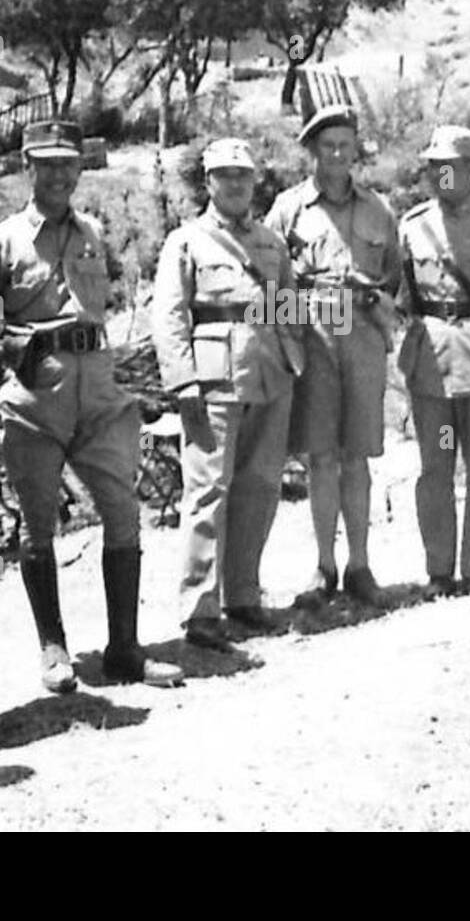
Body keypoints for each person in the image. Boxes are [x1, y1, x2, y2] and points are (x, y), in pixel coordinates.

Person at [0, 120, 183, 692]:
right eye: (47, 163)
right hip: (36, 399)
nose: (59, 175)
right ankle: (54, 650)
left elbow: (98, 306)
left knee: (123, 511)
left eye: (68, 164)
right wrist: (0, 380)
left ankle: (125, 650)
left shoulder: (91, 232)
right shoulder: (2, 240)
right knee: (38, 525)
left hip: (99, 390)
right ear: (27, 167)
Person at [151, 137, 303, 652]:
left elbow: (287, 307)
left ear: (254, 181)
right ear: (208, 182)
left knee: (259, 487)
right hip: (212, 380)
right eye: (224, 175)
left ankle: (243, 595)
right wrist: (181, 381)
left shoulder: (270, 243)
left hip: (268, 373)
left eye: (243, 174)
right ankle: (199, 608)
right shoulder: (186, 241)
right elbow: (169, 316)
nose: (235, 183)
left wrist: (296, 359)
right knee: (208, 492)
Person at [264, 105, 401, 609]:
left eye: (346, 144)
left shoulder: (378, 210)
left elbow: (393, 277)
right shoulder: (288, 209)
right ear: (313, 151)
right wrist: (285, 342)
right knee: (321, 455)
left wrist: (377, 304)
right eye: (328, 146)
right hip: (314, 334)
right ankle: (324, 566)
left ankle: (360, 565)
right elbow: (271, 278)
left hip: (361, 333)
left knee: (358, 455)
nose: (338, 155)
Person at [398, 125, 470, 597]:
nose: (443, 176)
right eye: (435, 168)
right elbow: (402, 295)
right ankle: (439, 569)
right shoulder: (411, 226)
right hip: (433, 368)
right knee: (436, 466)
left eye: (453, 168)